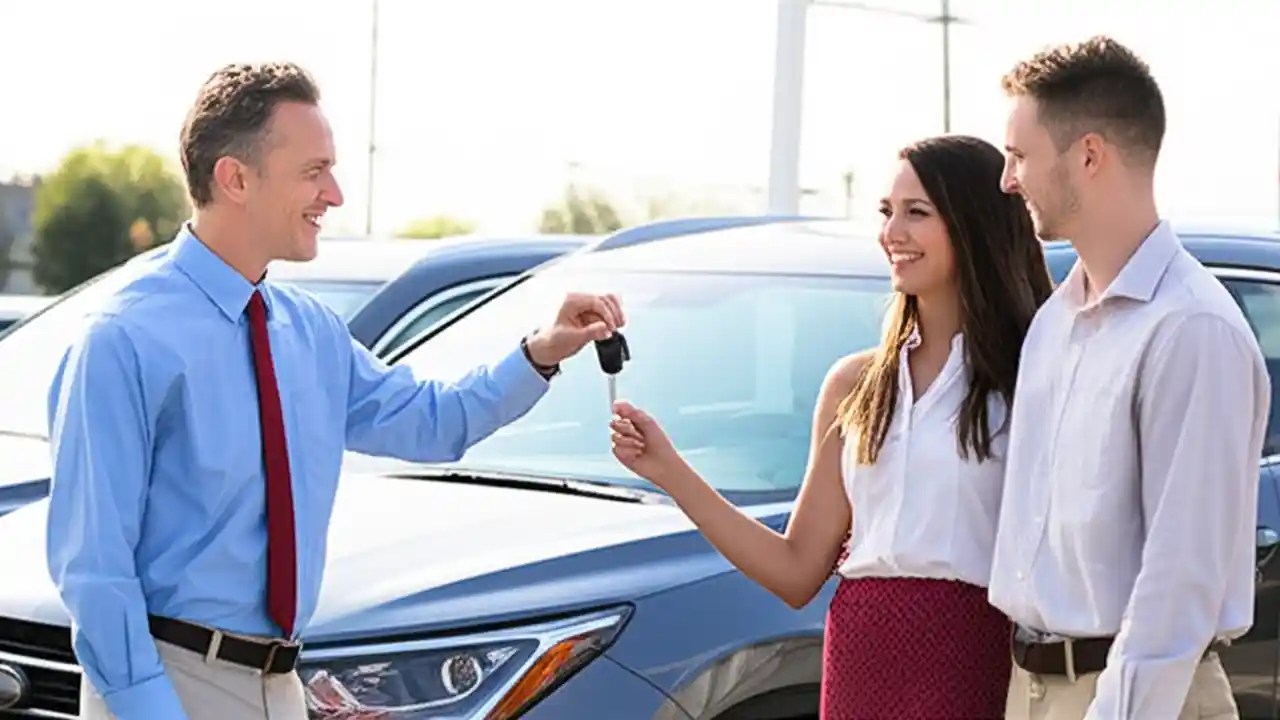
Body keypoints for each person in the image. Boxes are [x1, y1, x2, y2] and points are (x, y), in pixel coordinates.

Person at [45, 61, 625, 720]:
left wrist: (539, 353)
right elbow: (94, 568)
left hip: (284, 688)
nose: (336, 194)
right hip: (165, 689)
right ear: (235, 178)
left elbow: (434, 421)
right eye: (313, 171)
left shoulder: (310, 334)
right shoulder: (123, 338)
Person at [609, 134, 1054, 719]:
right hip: (859, 655)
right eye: (887, 212)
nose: (892, 232)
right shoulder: (856, 385)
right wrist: (669, 471)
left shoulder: (1033, 375)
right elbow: (796, 571)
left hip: (975, 657)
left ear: (974, 225)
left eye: (916, 213)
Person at [988, 35, 1270, 719]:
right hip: (1033, 693)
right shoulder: (1056, 322)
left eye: (1019, 155)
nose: (1007, 179)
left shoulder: (1191, 329)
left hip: (1141, 701)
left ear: (1089, 155)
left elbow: (1179, 583)